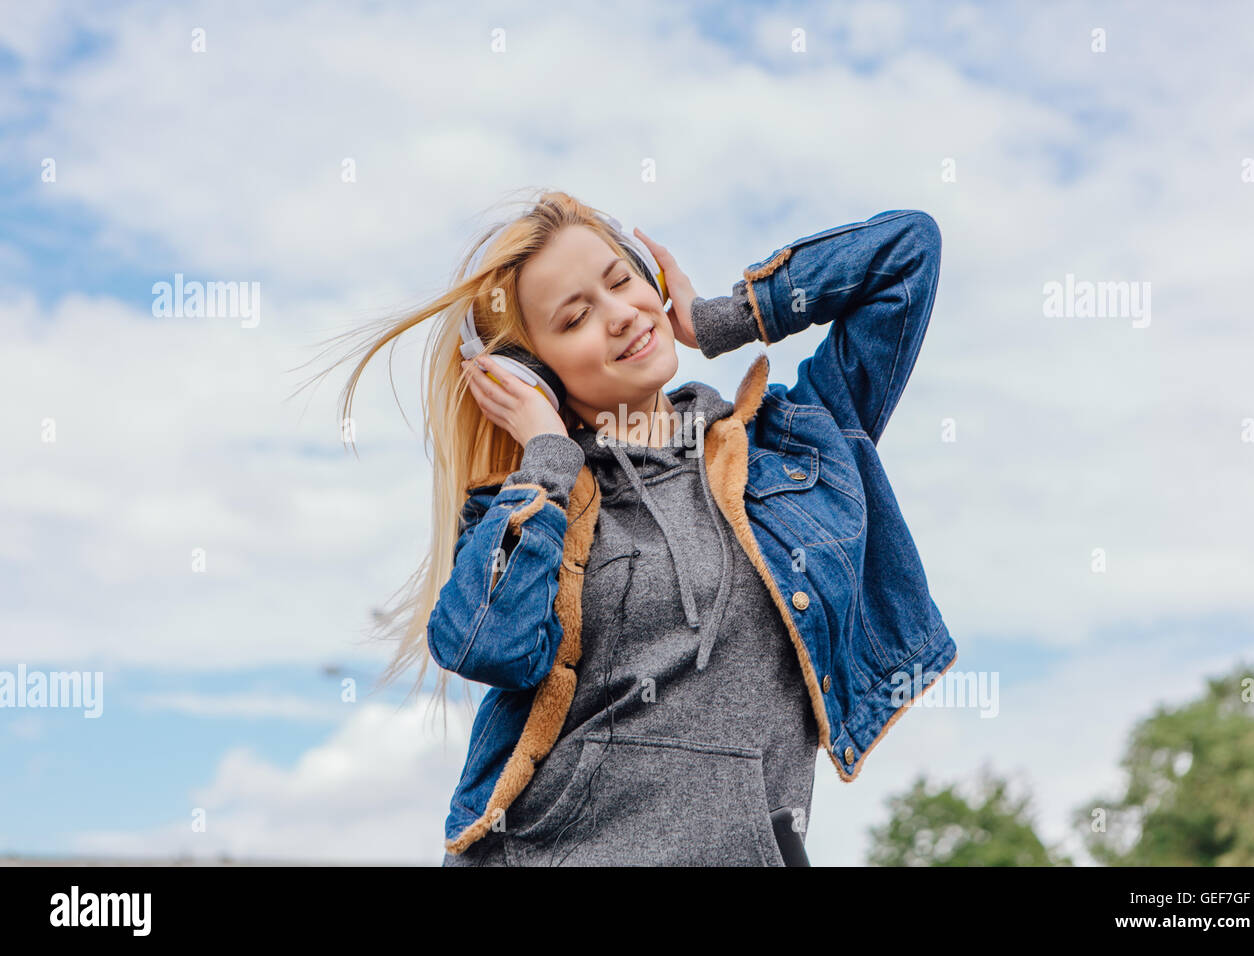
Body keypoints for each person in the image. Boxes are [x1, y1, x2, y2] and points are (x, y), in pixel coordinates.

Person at [301, 187, 957, 866]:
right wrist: (547, 459)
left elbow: (908, 252)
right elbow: (483, 646)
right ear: (534, 375)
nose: (618, 315)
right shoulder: (536, 507)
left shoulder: (794, 449)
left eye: (620, 280)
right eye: (576, 317)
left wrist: (728, 316)